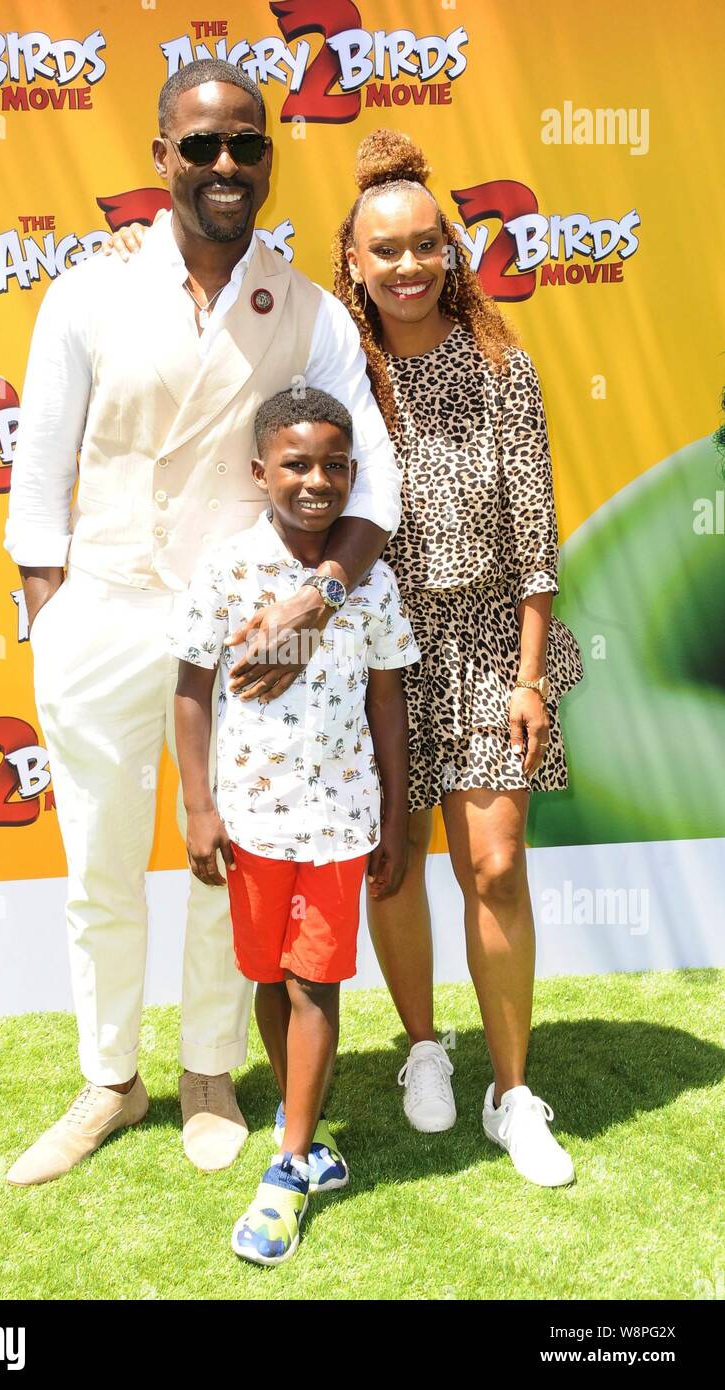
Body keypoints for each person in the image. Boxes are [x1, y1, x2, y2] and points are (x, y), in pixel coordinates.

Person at [2, 60, 400, 1185]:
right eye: (201, 147)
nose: (224, 166)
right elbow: (38, 485)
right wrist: (56, 617)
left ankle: (212, 1070)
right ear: (160, 158)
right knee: (99, 864)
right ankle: (110, 1078)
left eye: (245, 145)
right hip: (107, 613)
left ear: (270, 157)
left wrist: (314, 598)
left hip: (249, 635)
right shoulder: (84, 294)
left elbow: (372, 482)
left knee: (232, 855)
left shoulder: (309, 310)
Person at [335, 131, 584, 1185]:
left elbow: (535, 537)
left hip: (490, 640)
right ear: (350, 261)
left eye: (421, 246)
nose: (403, 267)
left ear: (449, 249)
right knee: (391, 859)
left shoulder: (500, 365)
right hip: (379, 653)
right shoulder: (341, 370)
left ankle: (511, 1092)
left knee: (493, 861)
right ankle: (422, 1049)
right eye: (382, 251)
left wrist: (527, 676)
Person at [169, 387, 419, 1263]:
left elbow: (388, 702)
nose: (317, 481)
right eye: (297, 464)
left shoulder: (370, 581)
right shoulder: (225, 569)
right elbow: (192, 689)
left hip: (341, 822)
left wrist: (395, 815)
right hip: (249, 821)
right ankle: (304, 1128)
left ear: (354, 474)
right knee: (271, 977)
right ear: (259, 472)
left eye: (334, 465)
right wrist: (199, 807)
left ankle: (284, 1172)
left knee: (317, 983)